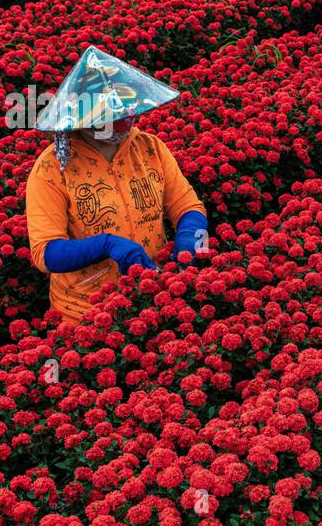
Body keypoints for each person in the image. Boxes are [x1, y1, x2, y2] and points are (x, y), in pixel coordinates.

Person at [25, 45, 209, 325]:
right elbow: (46, 253)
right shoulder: (51, 169)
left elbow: (187, 205)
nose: (124, 124)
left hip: (152, 294)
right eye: (109, 116)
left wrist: (189, 241)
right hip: (87, 315)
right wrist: (106, 245)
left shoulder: (150, 148)